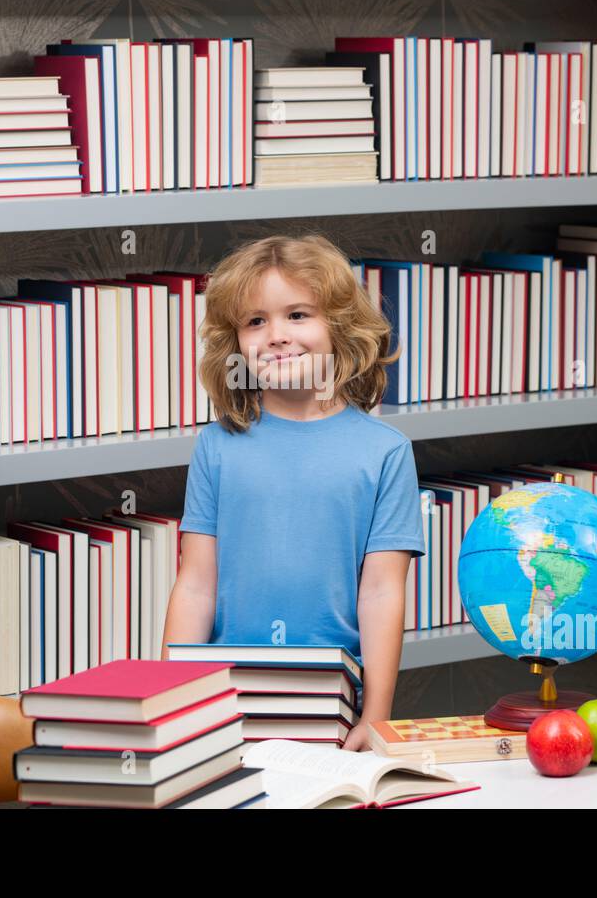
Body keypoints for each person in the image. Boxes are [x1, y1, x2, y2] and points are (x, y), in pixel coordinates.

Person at [160, 234, 426, 752]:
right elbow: (194, 586)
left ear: (340, 328)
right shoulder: (216, 447)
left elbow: (380, 592)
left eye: (298, 314)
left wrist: (377, 713)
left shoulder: (385, 452)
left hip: (333, 699)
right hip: (223, 697)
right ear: (234, 342)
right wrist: (171, 699)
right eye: (255, 321)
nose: (276, 335)